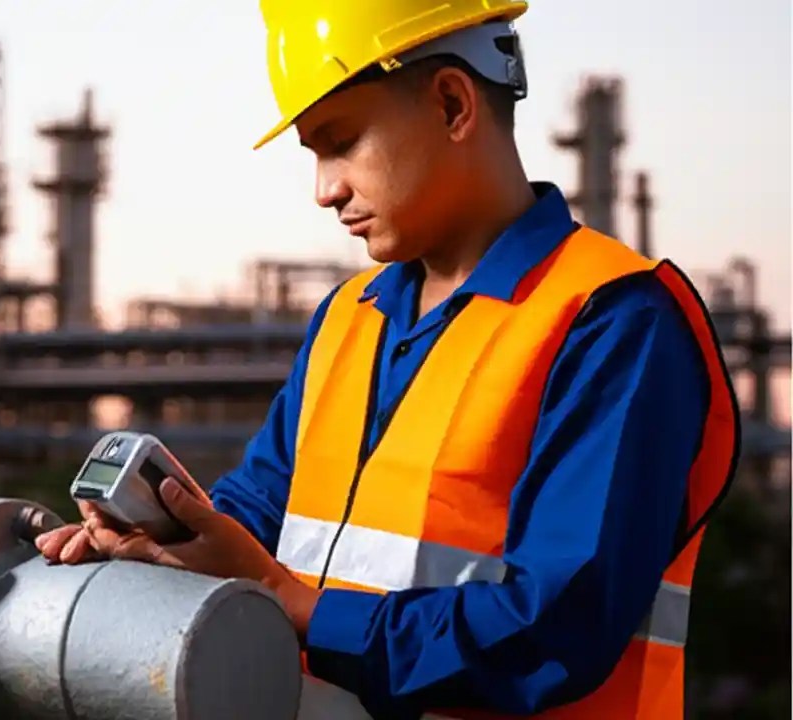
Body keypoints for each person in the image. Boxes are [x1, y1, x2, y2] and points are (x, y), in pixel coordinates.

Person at [36, 1, 740, 718]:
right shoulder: (350, 315)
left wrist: (293, 604)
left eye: (341, 142)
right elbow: (263, 510)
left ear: (452, 104)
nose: (325, 189)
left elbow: (553, 629)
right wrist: (159, 546)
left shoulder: (614, 320)